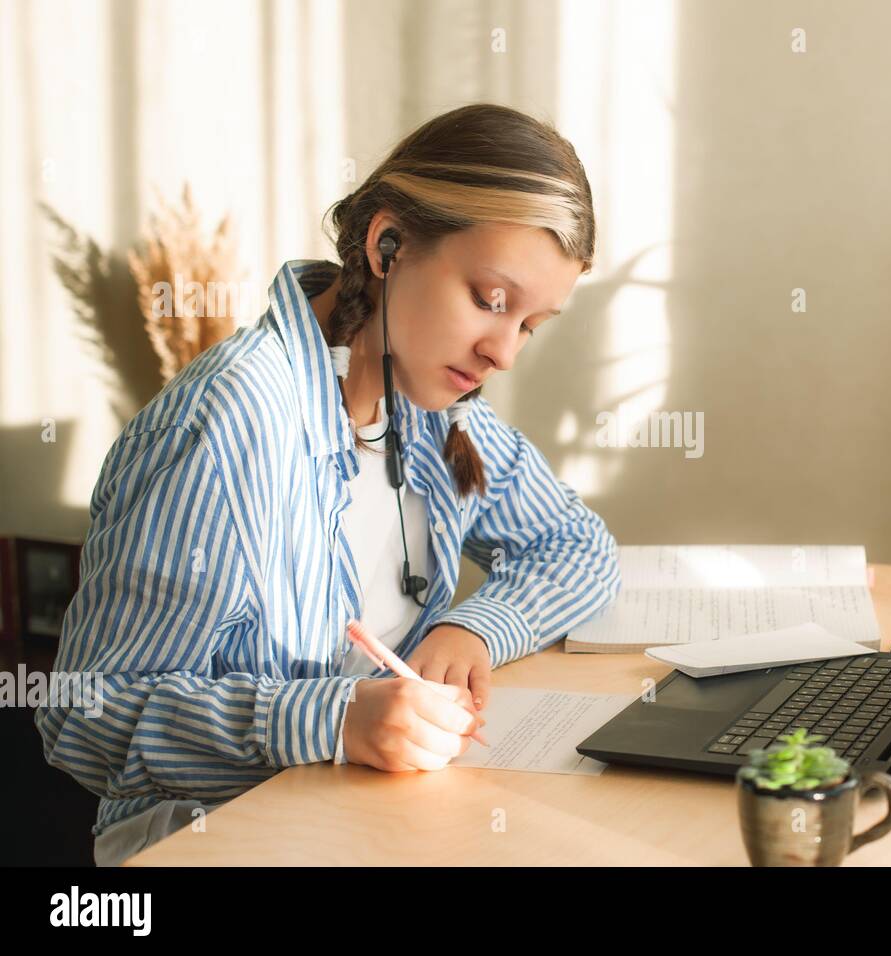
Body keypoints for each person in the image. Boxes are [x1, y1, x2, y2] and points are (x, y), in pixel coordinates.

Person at [34, 103, 622, 866]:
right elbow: (83, 719)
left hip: (372, 818)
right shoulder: (228, 422)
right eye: (490, 301)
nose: (503, 354)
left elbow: (577, 546)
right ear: (388, 245)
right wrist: (335, 719)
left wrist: (474, 628)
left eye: (530, 326)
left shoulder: (435, 410)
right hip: (215, 835)